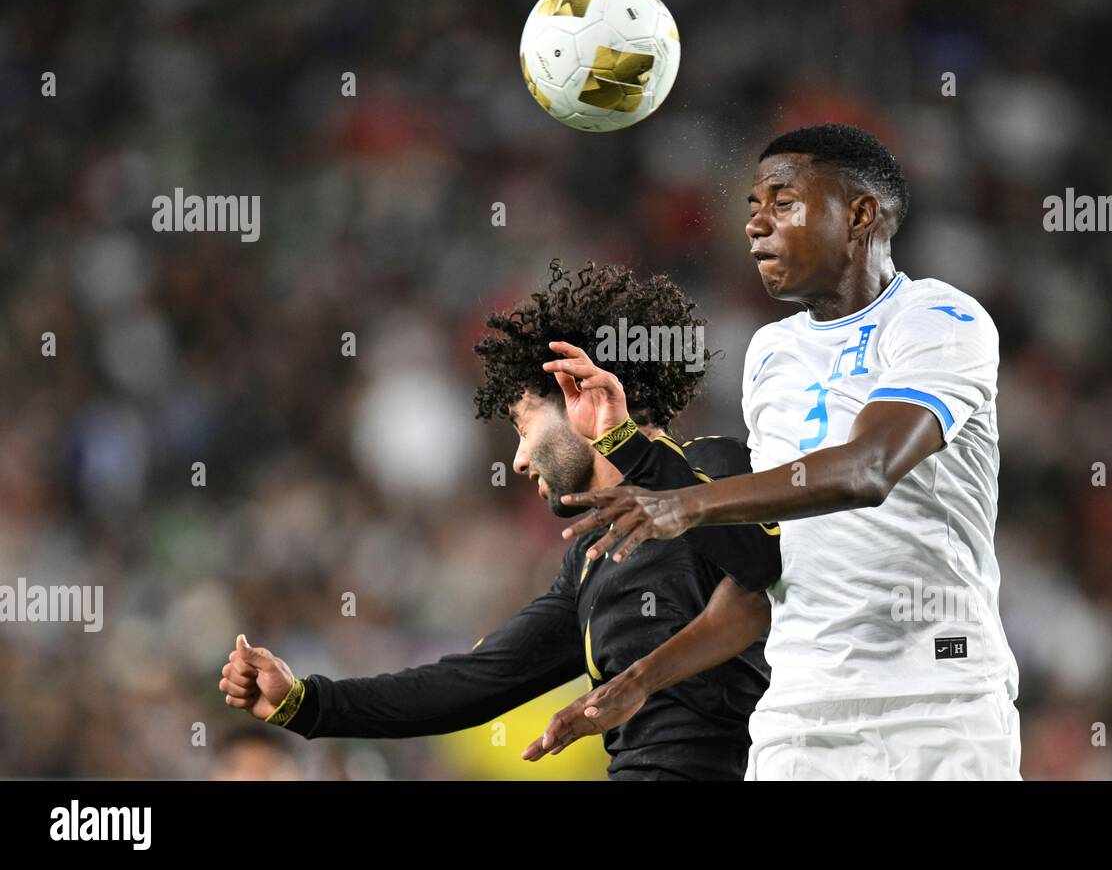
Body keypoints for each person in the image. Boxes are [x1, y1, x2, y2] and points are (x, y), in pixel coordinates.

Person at [550, 124, 1022, 780]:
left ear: (860, 215)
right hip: (799, 721)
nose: (756, 224)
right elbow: (769, 575)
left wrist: (686, 504)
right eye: (753, 207)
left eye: (784, 202)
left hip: (934, 705)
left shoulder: (941, 321)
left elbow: (869, 468)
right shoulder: (771, 354)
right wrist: (639, 681)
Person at [218, 260, 780, 780]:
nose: (517, 459)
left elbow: (761, 573)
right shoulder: (588, 563)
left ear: (578, 394)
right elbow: (473, 683)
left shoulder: (717, 467)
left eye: (523, 425)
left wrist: (624, 443)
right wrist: (307, 701)